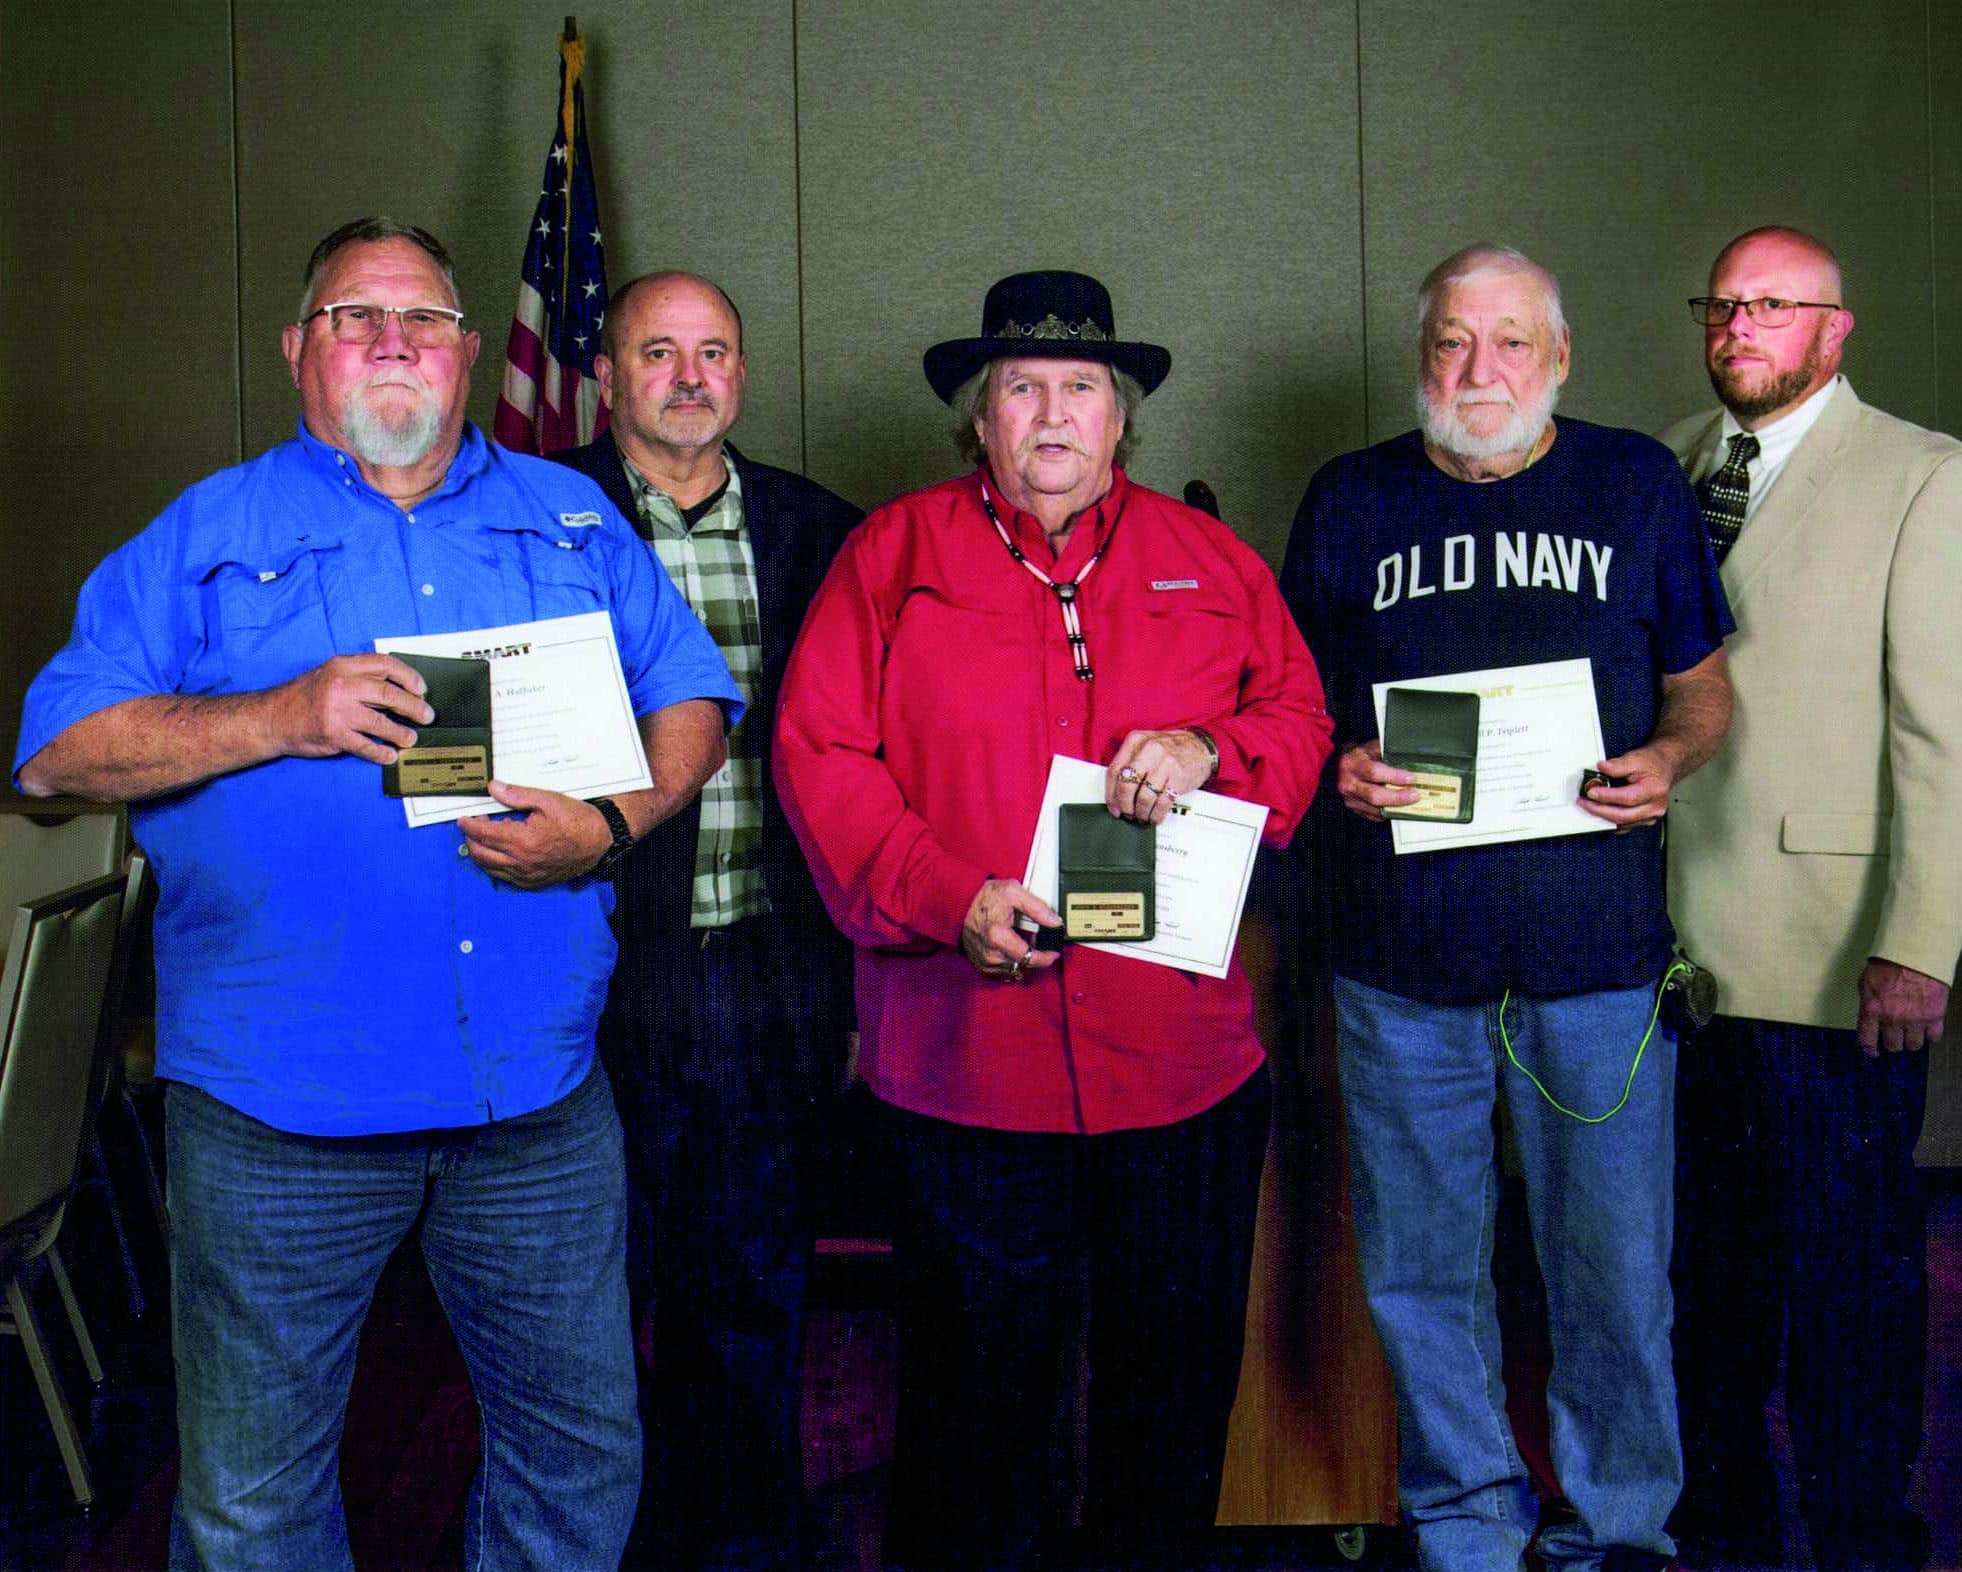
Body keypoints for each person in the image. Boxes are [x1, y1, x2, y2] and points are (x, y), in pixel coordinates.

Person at [12, 217, 742, 1572]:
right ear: (300, 350)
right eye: (357, 318)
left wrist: (615, 817)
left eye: (422, 322)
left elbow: (692, 693)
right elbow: (59, 751)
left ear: (470, 356)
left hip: (532, 1097)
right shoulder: (207, 533)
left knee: (579, 1455)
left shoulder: (569, 518)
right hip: (276, 1109)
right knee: (250, 1493)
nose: (392, 342)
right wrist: (278, 714)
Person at [773, 270, 1331, 1569]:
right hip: (964, 1066)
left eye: (1081, 387)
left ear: (1123, 419)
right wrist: (941, 895)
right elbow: (820, 757)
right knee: (974, 1408)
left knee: (1170, 1399)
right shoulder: (890, 555)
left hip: (1179, 1073)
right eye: (1019, 387)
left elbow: (1299, 728)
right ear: (977, 420)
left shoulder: (1211, 563)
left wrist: (1213, 746)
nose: (1052, 412)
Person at [1279, 243, 1733, 1572]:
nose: (1477, 372)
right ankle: (1468, 1528)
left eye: (1509, 344)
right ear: (1420, 356)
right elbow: (1286, 698)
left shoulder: (1632, 484)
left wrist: (1669, 759)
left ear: (1560, 358)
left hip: (1595, 970)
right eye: (1450, 345)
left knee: (1610, 1278)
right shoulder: (1348, 499)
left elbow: (1700, 686)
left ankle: (1620, 1528)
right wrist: (1331, 762)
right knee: (1423, 1279)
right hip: (1397, 974)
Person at [1660, 226, 1962, 1572]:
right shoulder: (1660, 462)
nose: (1738, 328)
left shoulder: (1922, 476)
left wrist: (1917, 944)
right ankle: (1719, 1516)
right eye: (1722, 305)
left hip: (1835, 955)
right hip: (1668, 955)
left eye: (1772, 306)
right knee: (1702, 1278)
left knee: (1848, 1278)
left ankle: (1856, 1523)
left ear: (1833, 331)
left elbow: (1940, 736)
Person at [550, 270, 861, 1570]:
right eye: (657, 350)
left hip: (769, 963)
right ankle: (593, 1536)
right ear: (606, 376)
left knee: (750, 1279)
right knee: (578, 1290)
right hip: (593, 960)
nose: (689, 375)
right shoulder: (531, 515)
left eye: (714, 351)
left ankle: (736, 1539)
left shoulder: (822, 530)